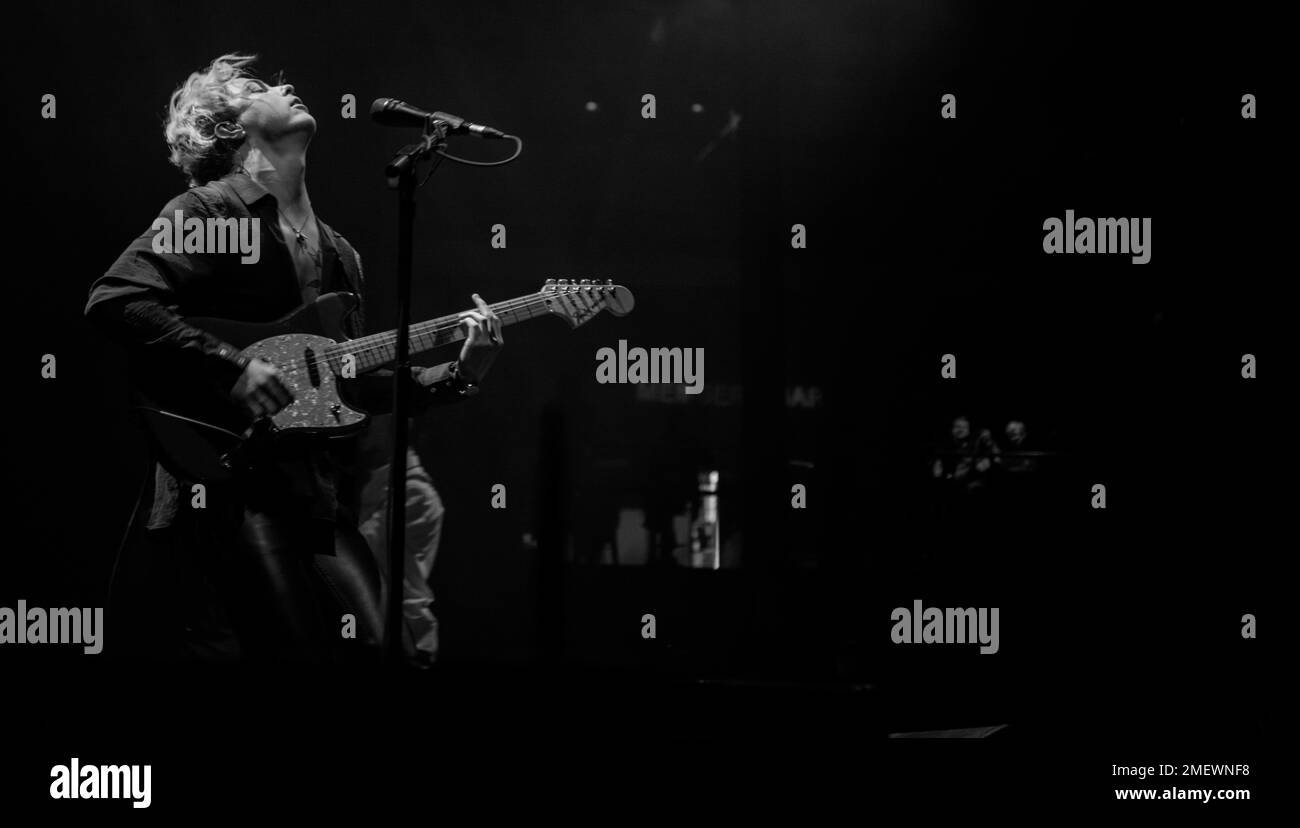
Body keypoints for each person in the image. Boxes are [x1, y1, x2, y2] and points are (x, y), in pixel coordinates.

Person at [84, 53, 502, 661]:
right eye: (260, 87)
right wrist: (231, 365)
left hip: (314, 496)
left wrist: (459, 374)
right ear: (227, 128)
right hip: (230, 483)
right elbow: (116, 299)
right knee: (287, 648)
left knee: (388, 650)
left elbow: (352, 387)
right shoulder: (209, 212)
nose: (288, 86)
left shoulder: (340, 255)